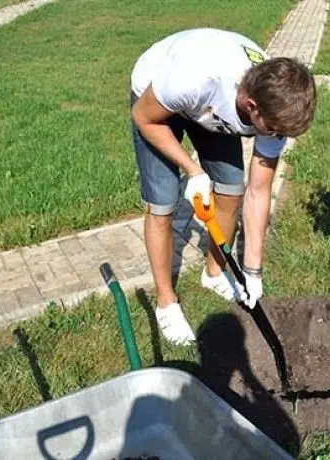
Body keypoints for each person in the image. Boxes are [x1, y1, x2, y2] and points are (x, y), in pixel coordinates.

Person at [130, 28, 316, 345]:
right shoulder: (193, 79)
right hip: (156, 99)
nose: (276, 137)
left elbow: (259, 191)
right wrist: (192, 170)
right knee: (163, 203)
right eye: (272, 130)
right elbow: (143, 117)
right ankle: (166, 302)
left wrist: (253, 271)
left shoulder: (275, 107)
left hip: (207, 108)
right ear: (251, 105)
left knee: (232, 189)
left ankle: (215, 273)